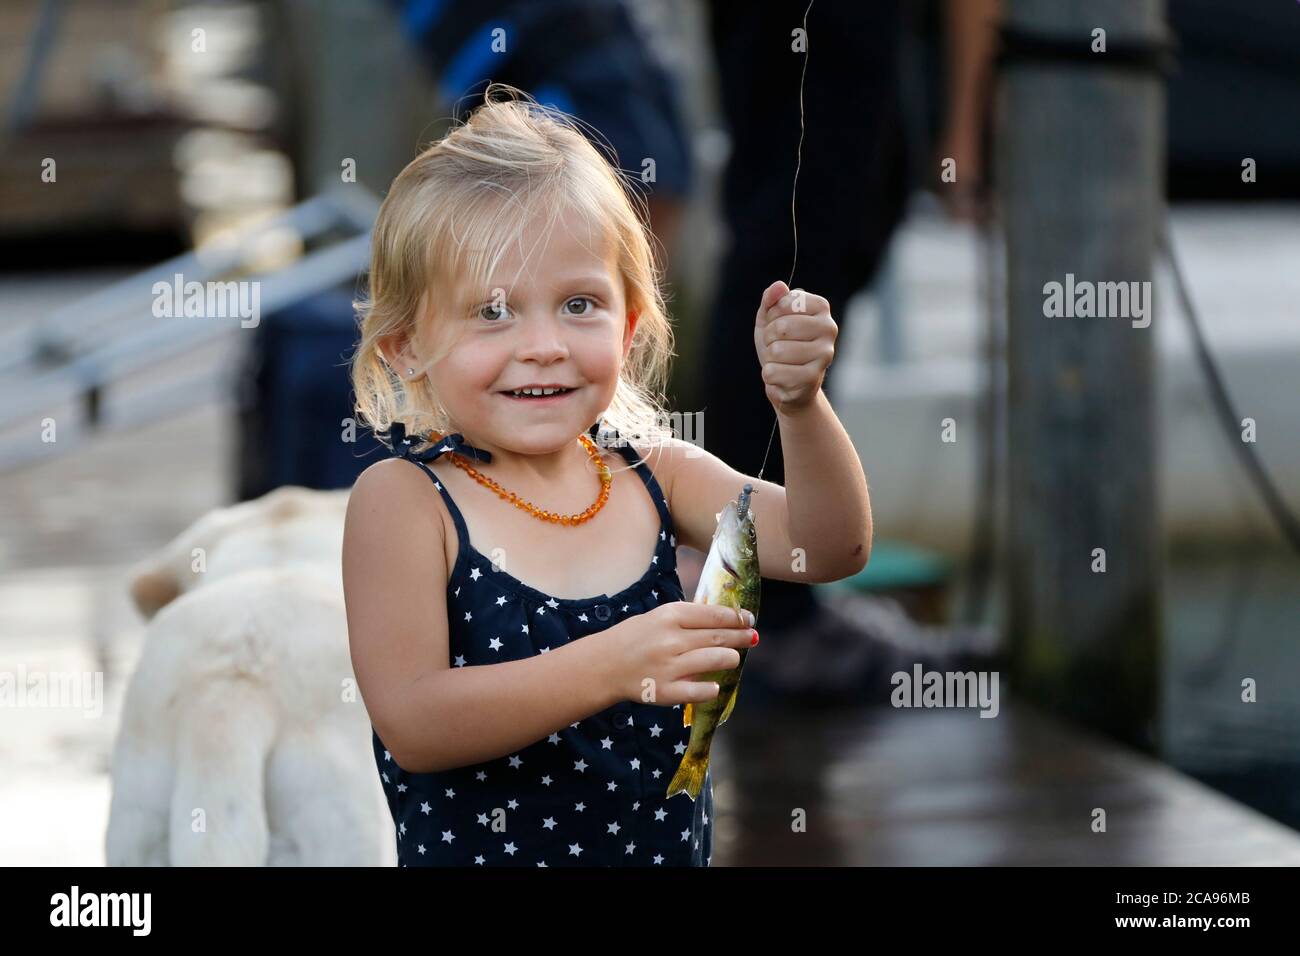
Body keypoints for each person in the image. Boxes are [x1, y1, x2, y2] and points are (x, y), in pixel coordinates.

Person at [341, 85, 872, 866]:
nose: (544, 344)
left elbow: (829, 549)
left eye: (579, 303)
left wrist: (800, 407)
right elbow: (415, 725)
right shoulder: (407, 502)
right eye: (493, 313)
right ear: (405, 346)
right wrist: (615, 665)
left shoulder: (654, 473)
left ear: (627, 324)